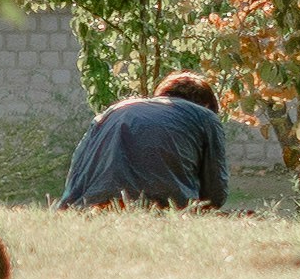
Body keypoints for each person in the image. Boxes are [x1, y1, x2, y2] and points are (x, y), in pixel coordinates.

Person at [58, 70, 231, 213]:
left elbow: (78, 165)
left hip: (97, 203)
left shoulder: (114, 110)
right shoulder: (204, 116)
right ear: (207, 104)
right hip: (165, 205)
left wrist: (69, 206)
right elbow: (214, 188)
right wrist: (205, 208)